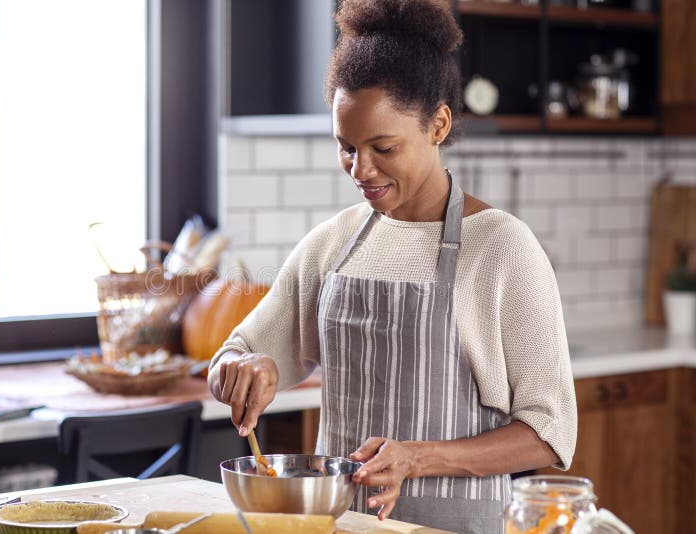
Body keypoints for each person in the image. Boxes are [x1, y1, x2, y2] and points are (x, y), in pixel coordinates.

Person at [208, 0, 576, 531]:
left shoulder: (501, 249)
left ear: (438, 125)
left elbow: (550, 433)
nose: (361, 169)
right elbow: (233, 352)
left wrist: (417, 458)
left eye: (383, 147)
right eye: (346, 147)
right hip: (339, 525)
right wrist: (245, 370)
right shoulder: (333, 243)